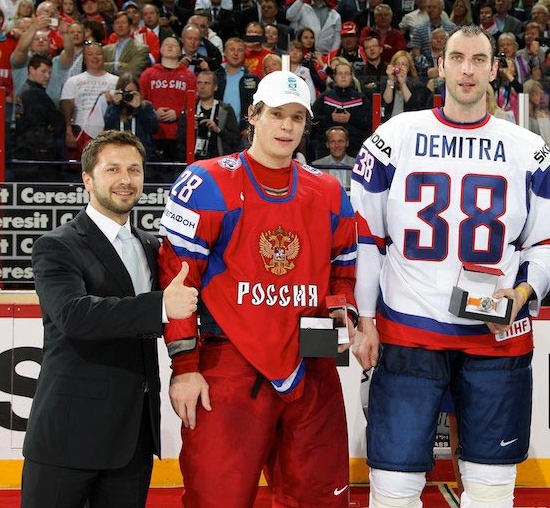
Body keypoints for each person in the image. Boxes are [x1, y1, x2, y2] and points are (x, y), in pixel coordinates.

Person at [350, 25, 550, 508]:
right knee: (392, 491)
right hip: (409, 330)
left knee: (491, 491)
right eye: (457, 58)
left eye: (478, 59)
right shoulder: (393, 137)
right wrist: (365, 318)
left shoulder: (529, 149)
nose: (467, 69)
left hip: (496, 335)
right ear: (440, 65)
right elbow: (366, 237)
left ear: (494, 69)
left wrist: (523, 292)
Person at [157, 70, 357, 507]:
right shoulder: (205, 182)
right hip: (228, 362)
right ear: (253, 115)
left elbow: (343, 269)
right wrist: (184, 366)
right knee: (218, 499)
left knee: (318, 499)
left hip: (310, 364)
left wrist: (343, 312)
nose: (287, 126)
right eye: (277, 114)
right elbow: (178, 281)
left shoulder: (328, 191)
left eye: (297, 118)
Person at [21, 130, 199, 508]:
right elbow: (74, 315)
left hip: (133, 438)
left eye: (134, 170)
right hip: (69, 435)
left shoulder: (151, 246)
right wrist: (160, 306)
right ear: (88, 179)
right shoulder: (57, 245)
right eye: (113, 169)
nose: (126, 179)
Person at [140, 35, 197, 163]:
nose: (170, 46)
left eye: (174, 45)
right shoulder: (148, 74)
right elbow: (141, 102)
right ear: (160, 50)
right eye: (166, 44)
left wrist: (178, 113)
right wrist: (153, 113)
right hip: (152, 134)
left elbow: (193, 104)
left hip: (179, 136)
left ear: (180, 52)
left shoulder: (189, 76)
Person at [60, 41, 118, 158]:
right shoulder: (73, 81)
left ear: (104, 57)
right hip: (81, 133)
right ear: (84, 59)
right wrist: (68, 131)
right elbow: (65, 109)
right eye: (90, 54)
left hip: (109, 134)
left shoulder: (117, 81)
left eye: (98, 54)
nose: (95, 57)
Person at [176, 69, 239, 160]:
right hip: (194, 161)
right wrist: (190, 130)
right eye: (199, 83)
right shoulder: (189, 110)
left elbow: (235, 140)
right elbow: (179, 139)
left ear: (215, 87)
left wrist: (218, 130)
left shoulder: (225, 110)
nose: (202, 87)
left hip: (218, 160)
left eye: (207, 83)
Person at [104, 72, 158, 160]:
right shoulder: (113, 108)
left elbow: (153, 129)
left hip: (141, 155)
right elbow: (108, 129)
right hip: (117, 154)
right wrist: (115, 105)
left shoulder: (146, 107)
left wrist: (139, 108)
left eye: (132, 93)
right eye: (125, 92)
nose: (128, 96)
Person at [312, 125, 355, 190]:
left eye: (340, 141)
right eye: (333, 142)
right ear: (327, 144)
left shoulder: (357, 165)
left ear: (347, 143)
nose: (337, 145)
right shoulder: (316, 167)